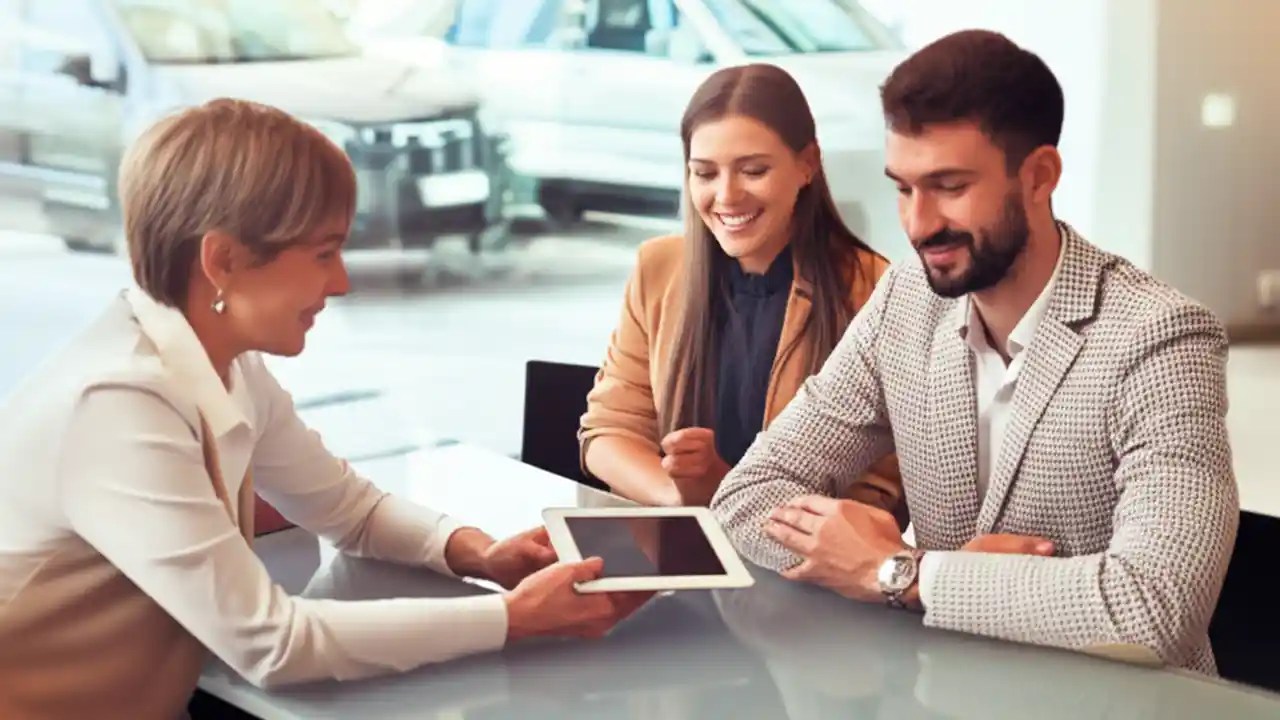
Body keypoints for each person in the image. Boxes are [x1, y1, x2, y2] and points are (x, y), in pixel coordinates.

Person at [0, 98, 645, 719]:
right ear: (222, 259)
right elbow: (271, 644)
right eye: (323, 253)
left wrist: (476, 552)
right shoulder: (118, 404)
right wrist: (515, 618)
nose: (341, 281)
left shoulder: (223, 363)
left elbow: (348, 509)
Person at [710, 30, 1238, 674]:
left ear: (1039, 176)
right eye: (903, 188)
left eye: (949, 186)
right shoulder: (906, 299)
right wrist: (913, 581)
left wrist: (903, 572)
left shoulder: (1161, 337)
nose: (918, 223)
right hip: (952, 689)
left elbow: (1154, 607)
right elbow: (746, 497)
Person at [578, 63, 903, 517]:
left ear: (807, 165)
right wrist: (685, 498)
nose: (726, 196)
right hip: (678, 543)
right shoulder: (658, 269)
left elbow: (880, 491)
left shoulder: (872, 289)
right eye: (705, 174)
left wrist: (725, 492)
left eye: (752, 171)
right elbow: (609, 432)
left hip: (800, 569)